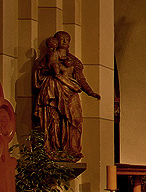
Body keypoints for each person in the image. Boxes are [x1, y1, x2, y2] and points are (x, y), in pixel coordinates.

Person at [33, 31, 100, 159]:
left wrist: (90, 92)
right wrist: (52, 72)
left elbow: (81, 79)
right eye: (61, 38)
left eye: (67, 39)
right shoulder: (50, 55)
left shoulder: (74, 61)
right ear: (56, 41)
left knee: (75, 119)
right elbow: (39, 71)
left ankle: (71, 148)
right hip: (52, 90)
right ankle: (52, 147)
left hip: (70, 93)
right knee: (53, 119)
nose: (64, 41)